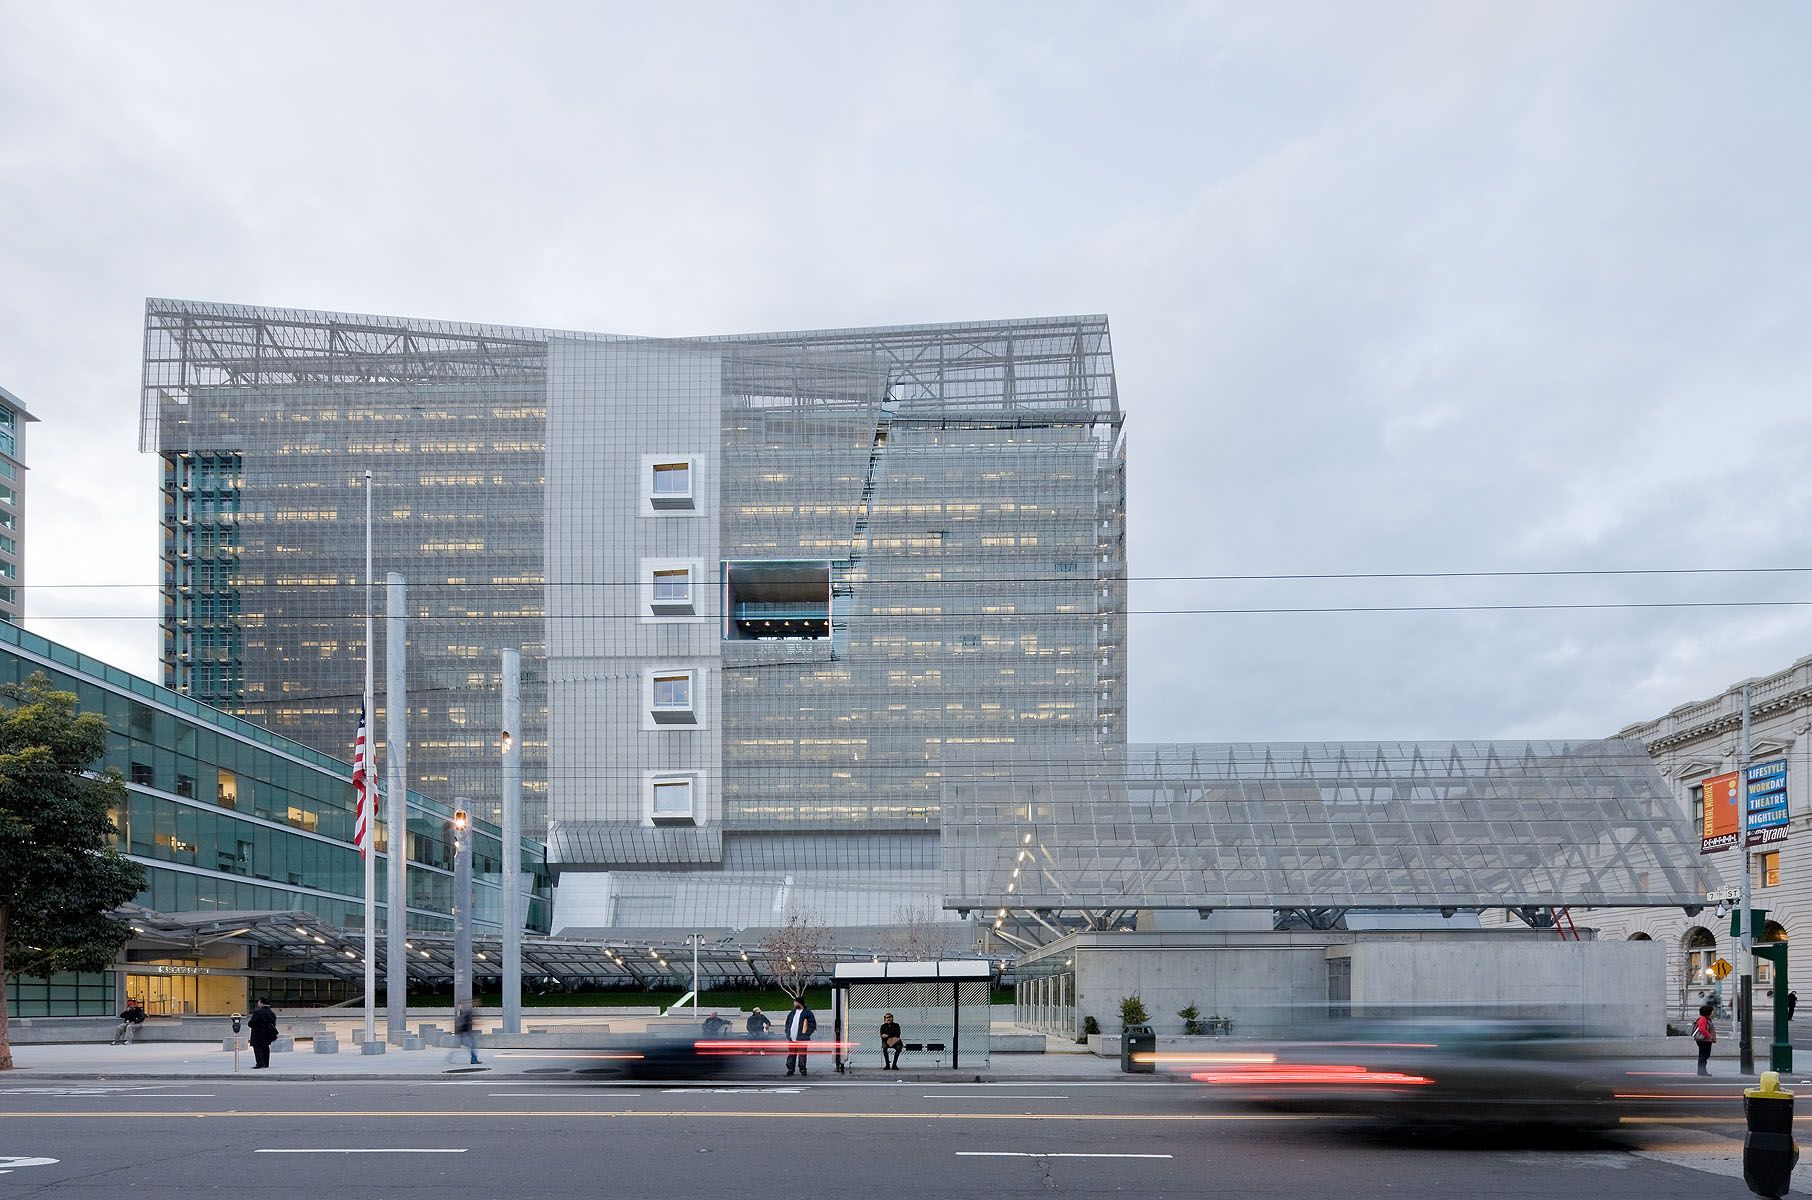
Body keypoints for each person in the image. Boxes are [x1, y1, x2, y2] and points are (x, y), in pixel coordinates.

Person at [783, 996, 817, 1077]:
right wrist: (787, 1032)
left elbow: (812, 1024)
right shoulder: (792, 1012)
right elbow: (787, 1023)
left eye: (795, 1002)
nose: (794, 1004)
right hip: (791, 1038)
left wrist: (806, 1034)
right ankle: (790, 1069)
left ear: (800, 1003)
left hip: (802, 1039)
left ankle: (802, 1069)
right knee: (791, 1054)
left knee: (802, 1055)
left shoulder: (807, 1013)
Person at [247, 997, 279, 1070]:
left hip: (258, 1033)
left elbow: (252, 1023)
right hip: (267, 1033)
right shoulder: (272, 1013)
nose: (258, 1003)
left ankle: (260, 1063)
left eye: (258, 1002)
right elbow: (273, 1024)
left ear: (261, 1003)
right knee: (266, 1047)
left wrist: (251, 1024)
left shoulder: (258, 1012)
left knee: (257, 1048)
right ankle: (266, 1063)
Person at [1692, 1002, 1716, 1077]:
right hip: (1704, 1040)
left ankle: (1702, 1071)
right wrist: (1710, 1036)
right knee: (1703, 1056)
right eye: (1712, 1011)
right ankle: (1701, 1071)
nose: (1713, 1012)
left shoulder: (1707, 1018)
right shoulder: (1703, 1019)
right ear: (1708, 1012)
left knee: (1705, 1055)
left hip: (1706, 1040)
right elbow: (1702, 1029)